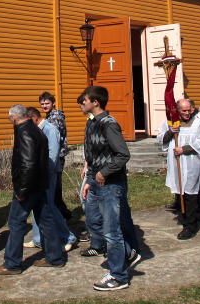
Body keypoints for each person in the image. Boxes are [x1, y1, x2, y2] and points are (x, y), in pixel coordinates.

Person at [0, 104, 66, 275]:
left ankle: (12, 263)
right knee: (46, 221)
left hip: (29, 187)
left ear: (14, 118)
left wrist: (21, 191)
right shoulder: (36, 129)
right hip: (40, 184)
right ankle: (55, 257)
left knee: (16, 223)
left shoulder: (24, 132)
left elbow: (28, 163)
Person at [79, 86, 136, 291]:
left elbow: (122, 154)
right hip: (96, 182)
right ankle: (127, 251)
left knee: (112, 231)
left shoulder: (109, 124)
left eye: (84, 100)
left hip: (111, 184)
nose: (81, 103)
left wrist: (104, 172)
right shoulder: (92, 124)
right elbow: (93, 156)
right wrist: (90, 180)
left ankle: (119, 276)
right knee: (93, 221)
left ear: (96, 102)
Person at [29, 107, 78, 252]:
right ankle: (38, 239)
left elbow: (53, 154)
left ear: (34, 118)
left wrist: (46, 173)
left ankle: (68, 237)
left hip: (49, 173)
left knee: (49, 205)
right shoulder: (39, 128)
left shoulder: (50, 129)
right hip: (40, 173)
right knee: (37, 206)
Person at [158, 98, 200, 239]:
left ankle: (190, 226)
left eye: (189, 110)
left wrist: (184, 149)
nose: (186, 113)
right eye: (183, 111)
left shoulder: (198, 123)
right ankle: (184, 217)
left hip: (191, 162)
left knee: (190, 194)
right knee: (180, 192)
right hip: (177, 163)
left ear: (193, 109)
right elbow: (161, 138)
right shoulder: (170, 122)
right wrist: (169, 132)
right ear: (178, 110)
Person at [40, 91, 72, 221]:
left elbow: (53, 139)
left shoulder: (55, 118)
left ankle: (62, 214)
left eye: (47, 103)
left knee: (55, 187)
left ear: (53, 103)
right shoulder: (49, 117)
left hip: (57, 156)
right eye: (42, 104)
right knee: (55, 187)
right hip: (54, 155)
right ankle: (64, 213)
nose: (44, 106)